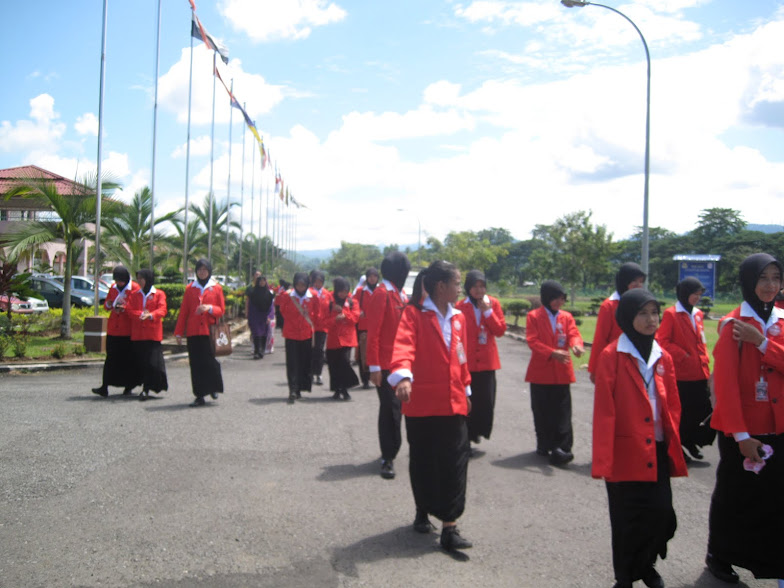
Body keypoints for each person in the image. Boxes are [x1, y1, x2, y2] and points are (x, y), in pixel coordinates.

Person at [593, 288, 687, 588]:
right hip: (625, 452)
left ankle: (647, 564)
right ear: (626, 317)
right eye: (643, 314)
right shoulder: (611, 356)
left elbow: (673, 405)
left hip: (657, 449)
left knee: (661, 515)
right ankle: (625, 576)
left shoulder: (663, 356)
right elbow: (604, 411)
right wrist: (604, 461)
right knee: (626, 520)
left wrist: (673, 444)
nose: (651, 320)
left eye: (654, 313)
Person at [705, 253, 784, 586]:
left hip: (778, 426)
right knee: (734, 497)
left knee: (773, 498)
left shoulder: (781, 321)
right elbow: (726, 386)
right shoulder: (733, 325)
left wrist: (762, 343)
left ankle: (768, 559)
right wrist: (741, 436)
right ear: (749, 281)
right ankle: (719, 556)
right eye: (762, 278)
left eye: (776, 278)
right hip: (744, 431)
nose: (770, 285)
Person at [389, 260, 473, 552]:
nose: (460, 288)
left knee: (455, 461)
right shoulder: (414, 314)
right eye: (457, 283)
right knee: (424, 460)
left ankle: (450, 525)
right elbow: (403, 346)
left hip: (453, 401)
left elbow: (461, 356)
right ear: (441, 286)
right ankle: (422, 509)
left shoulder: (459, 318)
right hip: (422, 402)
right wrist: (403, 376)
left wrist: (467, 388)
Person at [524, 280, 584, 465]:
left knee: (563, 412)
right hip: (541, 373)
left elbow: (573, 334)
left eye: (562, 298)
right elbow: (532, 341)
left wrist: (576, 345)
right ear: (546, 298)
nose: (559, 302)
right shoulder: (534, 316)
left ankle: (563, 447)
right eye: (555, 298)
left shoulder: (566, 317)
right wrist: (551, 353)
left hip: (561, 373)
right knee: (542, 411)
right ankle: (544, 444)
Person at [656, 277, 714, 462]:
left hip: (700, 371)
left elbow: (701, 341)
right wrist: (683, 355)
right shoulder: (671, 314)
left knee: (703, 409)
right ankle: (681, 445)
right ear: (685, 293)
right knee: (684, 412)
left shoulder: (698, 314)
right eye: (694, 294)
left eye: (699, 294)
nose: (697, 297)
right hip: (682, 374)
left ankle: (691, 440)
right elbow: (663, 341)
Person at [366, 251, 411, 479]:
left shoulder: (400, 294)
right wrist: (373, 367)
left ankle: (392, 449)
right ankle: (388, 456)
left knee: (398, 409)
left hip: (400, 363)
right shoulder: (382, 294)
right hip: (384, 364)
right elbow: (373, 332)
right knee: (390, 409)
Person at [455, 270, 506, 452]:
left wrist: (488, 312)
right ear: (468, 287)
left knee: (485, 402)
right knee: (467, 401)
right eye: (475, 286)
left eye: (482, 286)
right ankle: (466, 438)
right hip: (467, 363)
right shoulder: (460, 306)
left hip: (486, 363)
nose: (479, 290)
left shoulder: (493, 303)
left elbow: (500, 331)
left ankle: (477, 431)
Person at [174, 259, 225, 407]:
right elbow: (184, 312)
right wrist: (178, 332)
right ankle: (199, 395)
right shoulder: (190, 288)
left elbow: (221, 310)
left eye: (205, 270)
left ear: (209, 271)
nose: (202, 272)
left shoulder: (216, 288)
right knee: (196, 364)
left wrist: (209, 308)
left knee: (210, 362)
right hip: (193, 332)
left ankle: (213, 386)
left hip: (209, 331)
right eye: (199, 270)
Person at [588, 262, 646, 383]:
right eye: (634, 281)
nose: (638, 285)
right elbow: (600, 338)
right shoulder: (609, 306)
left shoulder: (643, 304)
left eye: (641, 282)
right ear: (624, 281)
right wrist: (594, 368)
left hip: (639, 360)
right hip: (615, 361)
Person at [92, 265, 140, 397]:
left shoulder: (135, 288)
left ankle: (129, 386)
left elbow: (136, 306)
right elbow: (107, 304)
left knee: (128, 360)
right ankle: (104, 386)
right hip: (114, 329)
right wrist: (109, 304)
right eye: (117, 281)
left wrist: (125, 307)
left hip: (127, 330)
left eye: (121, 281)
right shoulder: (113, 288)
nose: (119, 283)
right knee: (110, 359)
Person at [278, 272, 320, 403]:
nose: (300, 287)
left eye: (303, 285)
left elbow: (317, 313)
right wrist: (295, 319)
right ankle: (292, 389)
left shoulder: (313, 296)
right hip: (291, 333)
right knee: (292, 362)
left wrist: (308, 317)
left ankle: (301, 388)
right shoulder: (288, 295)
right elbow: (282, 310)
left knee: (304, 362)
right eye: (298, 285)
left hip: (306, 333)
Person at [126, 269, 168, 401]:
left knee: (152, 363)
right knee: (141, 362)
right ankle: (138, 386)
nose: (139, 281)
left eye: (141, 278)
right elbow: (129, 310)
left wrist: (151, 315)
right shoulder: (134, 294)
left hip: (153, 334)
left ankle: (147, 388)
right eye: (138, 278)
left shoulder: (159, 294)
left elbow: (162, 310)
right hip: (138, 334)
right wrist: (140, 314)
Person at [325, 277, 360, 400]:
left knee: (344, 362)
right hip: (333, 339)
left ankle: (345, 389)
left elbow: (355, 318)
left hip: (347, 339)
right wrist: (334, 319)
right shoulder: (330, 303)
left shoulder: (352, 302)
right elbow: (324, 321)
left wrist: (345, 314)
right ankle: (336, 389)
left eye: (345, 291)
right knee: (333, 365)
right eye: (340, 291)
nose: (343, 294)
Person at [355, 267, 380, 389]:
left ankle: (377, 376)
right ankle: (365, 379)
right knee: (363, 352)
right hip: (363, 325)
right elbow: (354, 304)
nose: (372, 279)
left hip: (378, 325)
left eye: (374, 276)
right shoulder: (361, 291)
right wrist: (359, 311)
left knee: (377, 351)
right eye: (370, 276)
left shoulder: (381, 290)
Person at [309, 270, 333, 386]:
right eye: (316, 281)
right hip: (310, 326)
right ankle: (309, 373)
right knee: (310, 350)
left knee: (319, 350)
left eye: (320, 282)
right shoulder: (309, 292)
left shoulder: (327, 294)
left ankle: (318, 374)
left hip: (322, 327)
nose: (318, 284)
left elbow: (330, 309)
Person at [245, 272, 275, 359]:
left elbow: (271, 307)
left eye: (263, 281)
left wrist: (269, 316)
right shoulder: (253, 293)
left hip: (264, 317)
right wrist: (248, 315)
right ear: (258, 282)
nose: (262, 283)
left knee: (264, 334)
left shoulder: (268, 294)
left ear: (265, 282)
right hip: (255, 316)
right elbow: (250, 305)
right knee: (256, 333)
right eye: (260, 281)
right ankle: (257, 351)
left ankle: (262, 351)